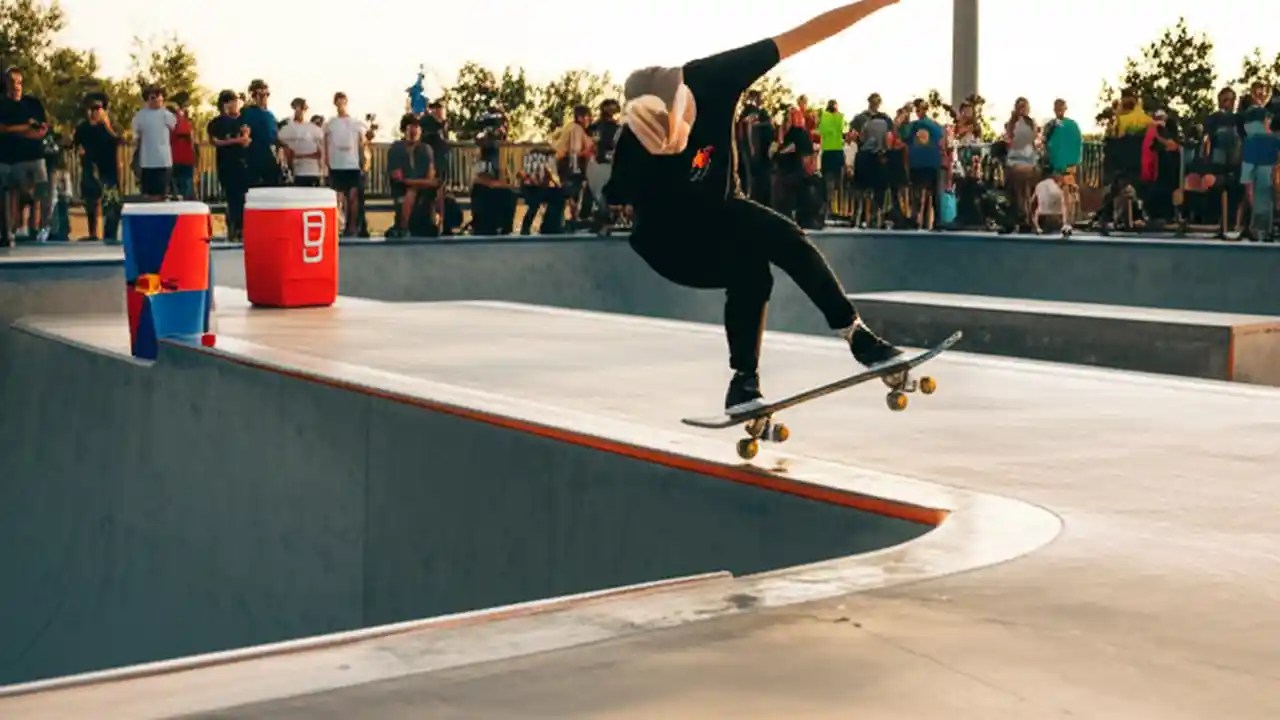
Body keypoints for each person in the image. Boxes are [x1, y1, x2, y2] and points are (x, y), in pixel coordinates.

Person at [604, 0, 905, 411]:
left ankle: (856, 336)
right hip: (666, 240)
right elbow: (615, 200)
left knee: (784, 239)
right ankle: (744, 379)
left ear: (685, 102)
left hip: (722, 210)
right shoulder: (631, 147)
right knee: (749, 274)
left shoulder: (715, 76)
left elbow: (806, 33)